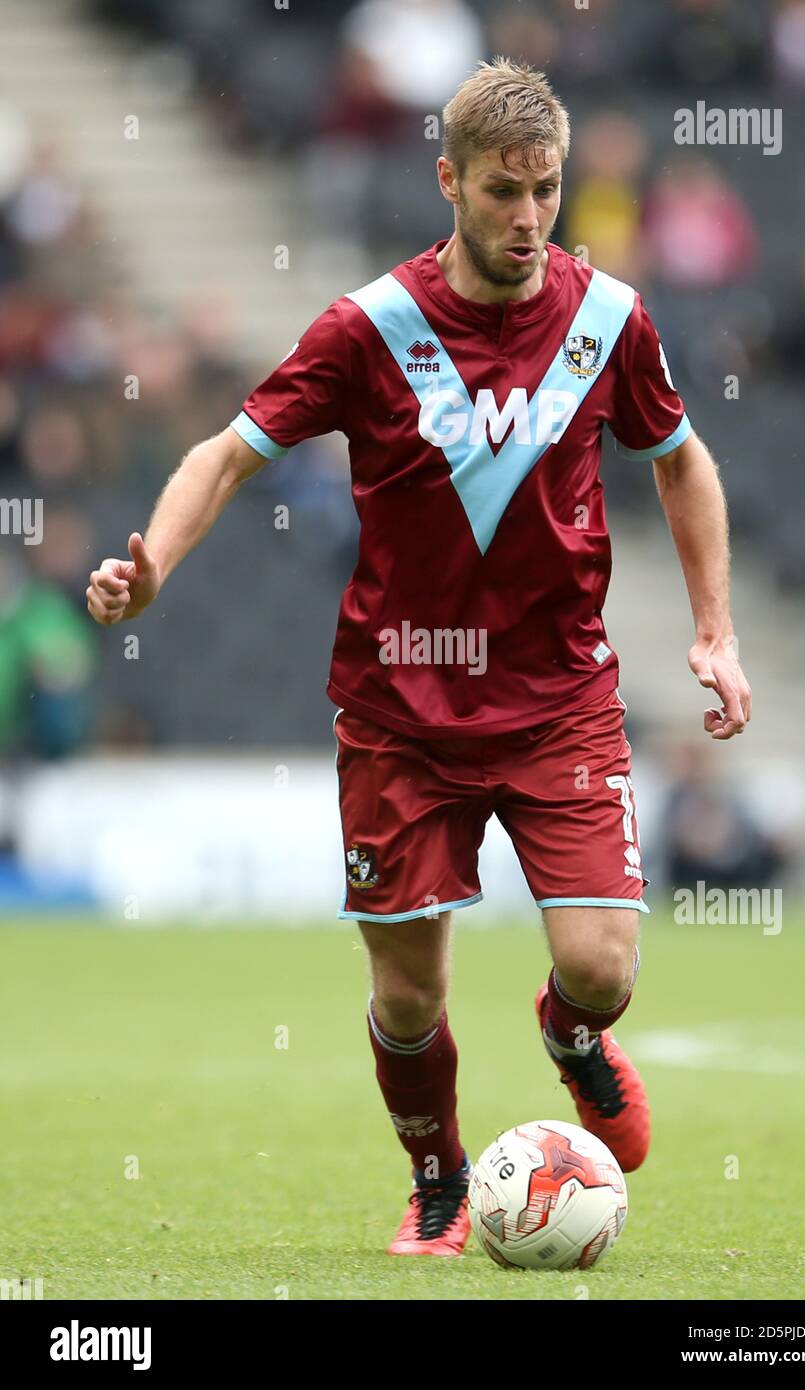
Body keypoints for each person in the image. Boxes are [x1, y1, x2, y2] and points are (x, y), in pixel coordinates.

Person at [85, 58, 752, 1259]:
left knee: (600, 965)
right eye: (503, 191)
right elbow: (223, 455)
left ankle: (570, 1035)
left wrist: (712, 629)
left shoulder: (609, 319)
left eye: (545, 190)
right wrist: (153, 571)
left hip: (559, 701)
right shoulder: (369, 329)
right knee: (406, 996)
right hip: (399, 711)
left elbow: (682, 462)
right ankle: (439, 1180)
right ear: (446, 180)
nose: (528, 218)